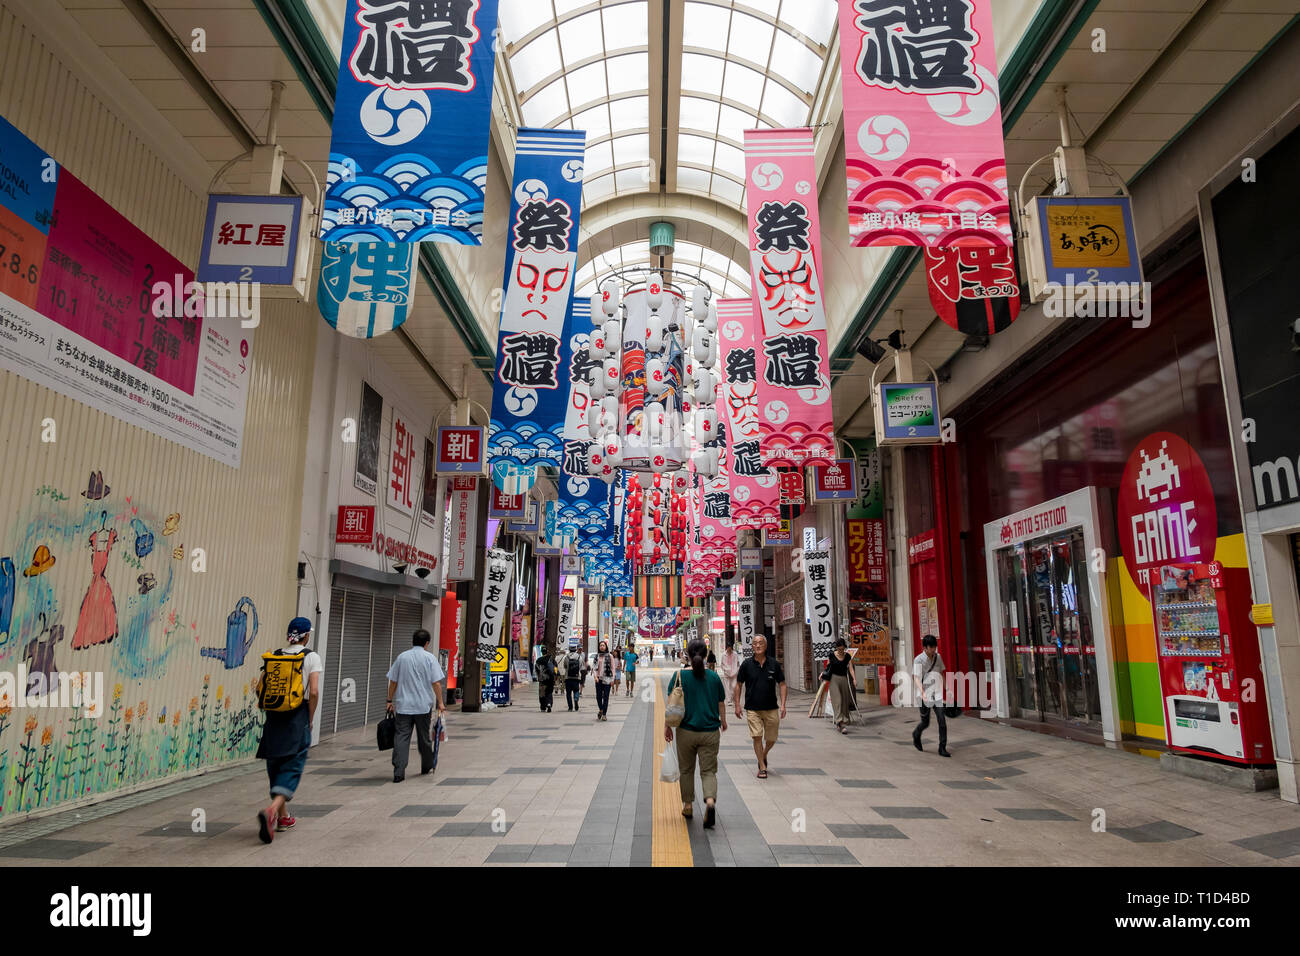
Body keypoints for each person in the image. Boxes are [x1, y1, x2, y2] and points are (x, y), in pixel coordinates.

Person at [253, 616, 322, 844]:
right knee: (293, 765)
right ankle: (272, 810)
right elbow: (313, 692)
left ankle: (284, 818)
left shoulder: (275, 655)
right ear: (307, 635)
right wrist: (309, 718)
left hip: (274, 718)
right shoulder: (310, 657)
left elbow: (259, 688)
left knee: (276, 763)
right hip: (297, 716)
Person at [664, 638, 727, 828]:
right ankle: (709, 801)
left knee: (686, 770)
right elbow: (721, 702)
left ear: (688, 656)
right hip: (710, 731)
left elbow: (671, 706)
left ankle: (688, 805)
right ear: (706, 655)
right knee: (708, 771)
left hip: (686, 731)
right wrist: (723, 721)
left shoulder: (679, 676)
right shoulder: (714, 677)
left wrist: (667, 727)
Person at [385, 629, 447, 782]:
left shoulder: (402, 658)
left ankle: (399, 771)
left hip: (403, 705)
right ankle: (426, 765)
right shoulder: (429, 658)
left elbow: (393, 681)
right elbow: (436, 683)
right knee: (423, 737)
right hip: (422, 706)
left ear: (412, 641)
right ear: (427, 643)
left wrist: (389, 700)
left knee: (401, 737)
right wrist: (440, 702)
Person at [734, 633, 786, 779]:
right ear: (751, 646)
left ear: (766, 645)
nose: (757, 645)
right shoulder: (746, 664)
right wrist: (737, 705)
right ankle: (762, 767)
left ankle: (763, 755)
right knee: (757, 737)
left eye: (760, 643)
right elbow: (738, 685)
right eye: (755, 643)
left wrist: (783, 705)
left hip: (771, 707)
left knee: (771, 738)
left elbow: (782, 685)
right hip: (752, 708)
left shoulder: (773, 664)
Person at [912, 634, 951, 757]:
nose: (934, 649)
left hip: (937, 693)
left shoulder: (937, 657)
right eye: (931, 647)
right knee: (925, 722)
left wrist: (947, 689)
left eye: (935, 647)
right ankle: (916, 734)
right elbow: (916, 678)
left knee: (942, 720)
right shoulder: (918, 660)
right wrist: (922, 693)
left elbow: (941, 673)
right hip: (924, 694)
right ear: (925, 647)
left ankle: (942, 747)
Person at [820, 638, 857, 734]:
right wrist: (823, 674)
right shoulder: (832, 655)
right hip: (834, 680)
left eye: (842, 649)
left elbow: (851, 669)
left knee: (844, 701)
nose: (841, 651)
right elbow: (828, 667)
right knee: (838, 701)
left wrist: (854, 679)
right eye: (839, 649)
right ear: (836, 648)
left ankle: (841, 722)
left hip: (844, 679)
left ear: (845, 647)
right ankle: (840, 722)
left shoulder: (848, 656)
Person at [592, 640, 616, 721]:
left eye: (603, 645)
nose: (602, 647)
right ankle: (601, 710)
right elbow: (594, 668)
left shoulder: (610, 656)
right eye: (600, 645)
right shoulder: (597, 656)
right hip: (598, 679)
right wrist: (595, 677)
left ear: (606, 647)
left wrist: (613, 679)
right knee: (598, 696)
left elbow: (613, 668)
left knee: (606, 697)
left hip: (607, 679)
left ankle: (604, 714)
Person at [718, 640, 740, 715]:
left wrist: (736, 671)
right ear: (726, 648)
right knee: (727, 687)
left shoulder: (735, 654)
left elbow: (737, 663)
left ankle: (734, 699)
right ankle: (729, 700)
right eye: (728, 648)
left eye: (730, 648)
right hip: (726, 674)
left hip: (734, 673)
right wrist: (725, 670)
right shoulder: (723, 654)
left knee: (734, 686)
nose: (729, 649)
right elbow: (722, 664)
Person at [562, 645, 584, 711]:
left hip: (568, 677)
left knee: (568, 693)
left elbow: (565, 666)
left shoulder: (567, 657)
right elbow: (580, 666)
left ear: (569, 649)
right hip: (576, 677)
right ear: (575, 649)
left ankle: (570, 707)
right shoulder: (579, 657)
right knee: (576, 690)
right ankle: (576, 699)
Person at [535, 647, 556, 712]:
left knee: (542, 693)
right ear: (547, 651)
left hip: (542, 680)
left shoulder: (538, 660)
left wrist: (538, 677)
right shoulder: (551, 659)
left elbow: (537, 670)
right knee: (549, 692)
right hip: (550, 679)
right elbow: (555, 668)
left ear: (541, 652)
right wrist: (555, 675)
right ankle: (549, 703)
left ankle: (543, 707)